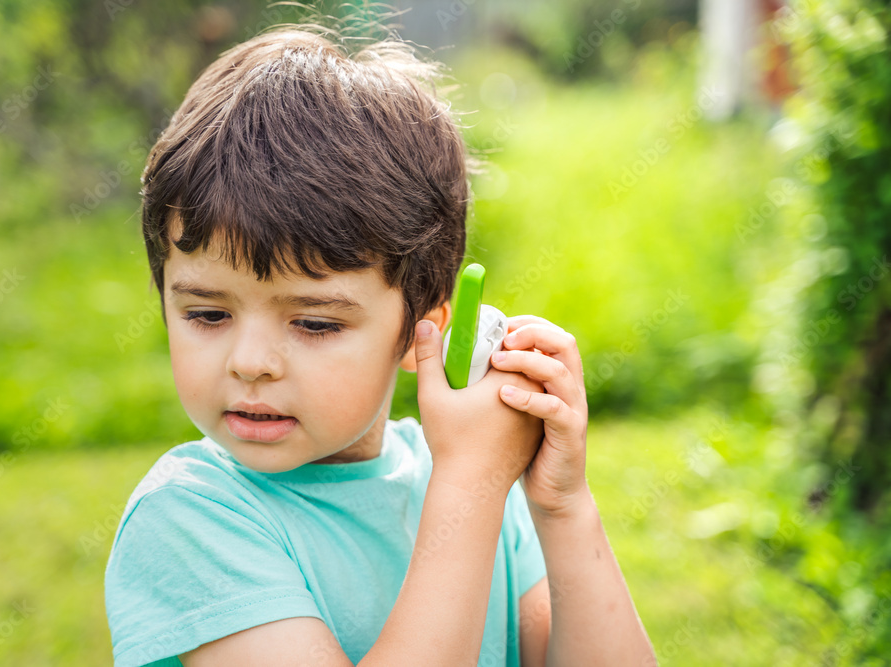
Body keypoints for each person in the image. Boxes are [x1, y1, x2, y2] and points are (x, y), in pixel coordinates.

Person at [104, 18, 656, 667]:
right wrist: (471, 483)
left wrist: (562, 507)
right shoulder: (187, 519)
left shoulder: (464, 476)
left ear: (421, 329)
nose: (250, 362)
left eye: (313, 323)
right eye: (206, 313)